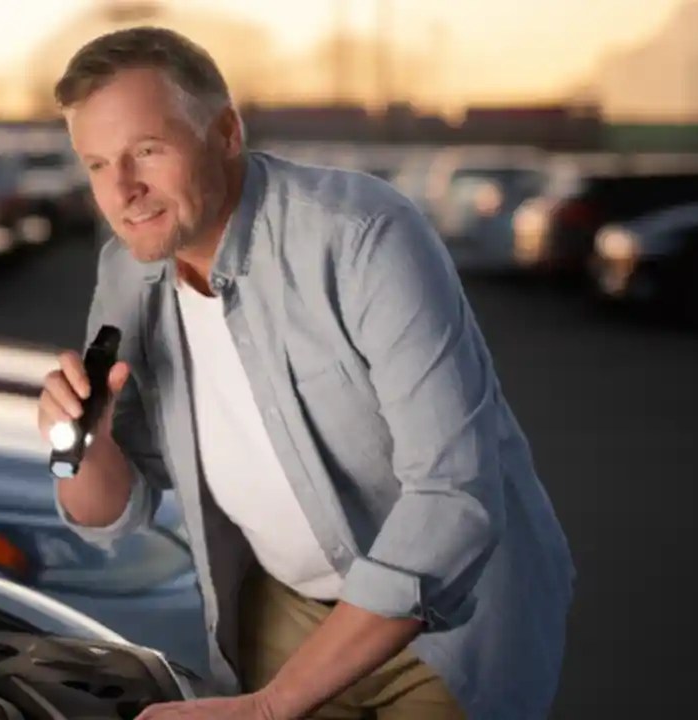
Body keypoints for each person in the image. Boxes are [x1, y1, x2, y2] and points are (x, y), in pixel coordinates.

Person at [36, 27, 575, 720]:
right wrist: (78, 448)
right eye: (97, 164)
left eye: (147, 150)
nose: (125, 191)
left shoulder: (363, 236)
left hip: (449, 624)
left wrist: (270, 707)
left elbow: (454, 500)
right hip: (284, 610)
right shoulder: (125, 272)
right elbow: (111, 515)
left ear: (226, 132)